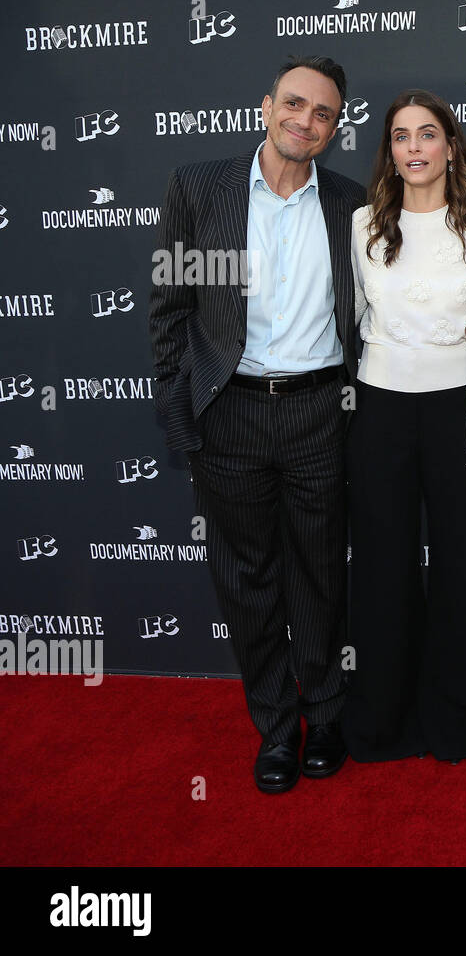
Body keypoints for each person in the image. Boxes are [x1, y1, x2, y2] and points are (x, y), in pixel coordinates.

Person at [148, 56, 366, 793]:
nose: (306, 121)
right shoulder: (199, 188)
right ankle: (276, 729)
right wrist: (186, 411)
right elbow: (169, 310)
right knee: (246, 580)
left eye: (323, 113)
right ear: (266, 104)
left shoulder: (351, 204)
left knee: (318, 575)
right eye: (295, 104)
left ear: (336, 127)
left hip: (318, 411)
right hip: (230, 409)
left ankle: (325, 713)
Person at [341, 90, 466, 764]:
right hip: (378, 406)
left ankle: (459, 713)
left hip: (460, 409)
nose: (414, 147)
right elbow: (347, 318)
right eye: (402, 136)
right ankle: (380, 716)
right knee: (383, 564)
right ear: (390, 151)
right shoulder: (360, 226)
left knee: (462, 565)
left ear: (450, 146)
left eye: (427, 134)